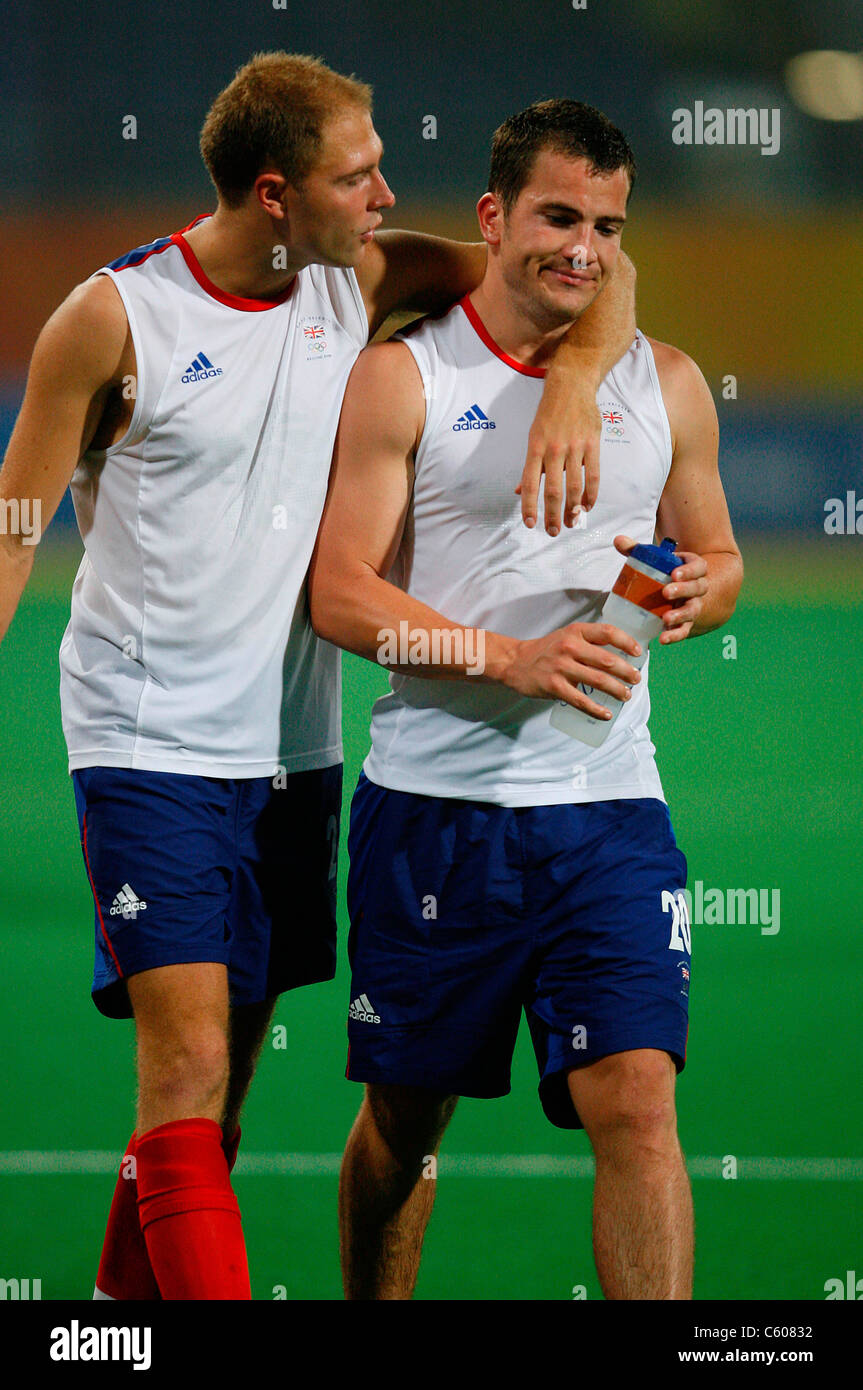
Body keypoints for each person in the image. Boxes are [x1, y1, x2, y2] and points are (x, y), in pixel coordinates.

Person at [0, 56, 635, 1301]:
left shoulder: (362, 278)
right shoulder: (113, 318)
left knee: (211, 1113)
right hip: (146, 744)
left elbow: (590, 275)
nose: (388, 192)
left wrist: (567, 384)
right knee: (180, 1080)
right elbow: (15, 518)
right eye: (359, 175)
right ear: (278, 193)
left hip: (293, 755)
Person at [309, 97, 743, 1300]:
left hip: (606, 813)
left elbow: (720, 559)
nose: (581, 249)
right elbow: (342, 597)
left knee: (639, 1104)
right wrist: (510, 661)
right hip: (432, 815)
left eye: (606, 224)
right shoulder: (403, 377)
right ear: (493, 218)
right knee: (403, 1121)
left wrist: (699, 591)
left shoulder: (666, 382)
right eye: (557, 216)